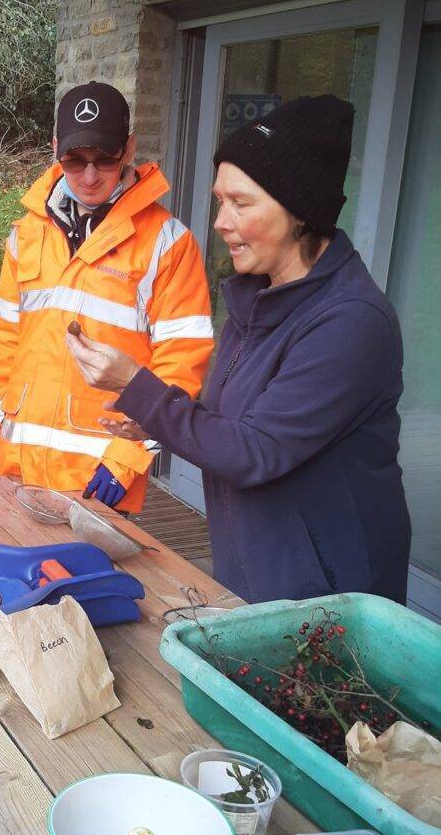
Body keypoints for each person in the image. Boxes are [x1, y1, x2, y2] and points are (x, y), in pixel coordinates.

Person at [67, 94, 411, 604]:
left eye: (241, 203)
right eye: (220, 200)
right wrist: (156, 418)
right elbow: (238, 423)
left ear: (300, 211)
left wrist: (137, 384)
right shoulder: (260, 300)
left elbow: (256, 452)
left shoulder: (351, 324)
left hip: (332, 600)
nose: (220, 222)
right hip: (259, 572)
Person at [0, 81, 213, 513]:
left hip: (102, 478)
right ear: (56, 148)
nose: (90, 176)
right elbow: (3, 336)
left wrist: (128, 460)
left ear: (129, 148)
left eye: (106, 160)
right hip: (16, 467)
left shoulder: (168, 243)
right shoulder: (27, 233)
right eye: (74, 161)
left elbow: (180, 362)